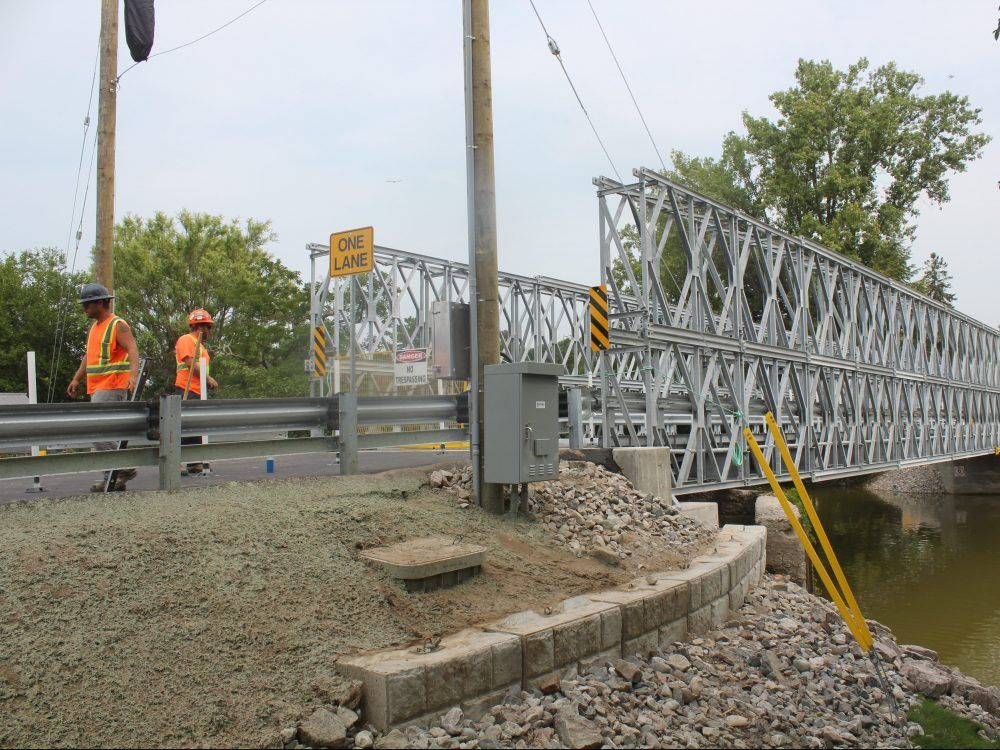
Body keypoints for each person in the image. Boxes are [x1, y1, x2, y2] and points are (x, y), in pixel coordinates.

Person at [67, 283, 141, 492]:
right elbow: (89, 356)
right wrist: (77, 379)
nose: (84, 308)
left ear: (100, 302)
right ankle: (117, 475)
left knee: (98, 431)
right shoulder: (95, 327)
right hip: (98, 387)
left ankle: (119, 472)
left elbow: (132, 348)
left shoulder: (117, 324)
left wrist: (133, 376)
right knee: (105, 433)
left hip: (112, 385)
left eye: (87, 304)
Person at [175, 308, 219, 475]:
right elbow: (189, 363)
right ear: (200, 327)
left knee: (197, 425)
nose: (209, 331)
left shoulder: (200, 345)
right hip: (187, 388)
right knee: (185, 425)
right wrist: (208, 379)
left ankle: (194, 461)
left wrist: (205, 382)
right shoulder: (187, 339)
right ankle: (175, 461)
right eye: (208, 327)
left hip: (199, 390)